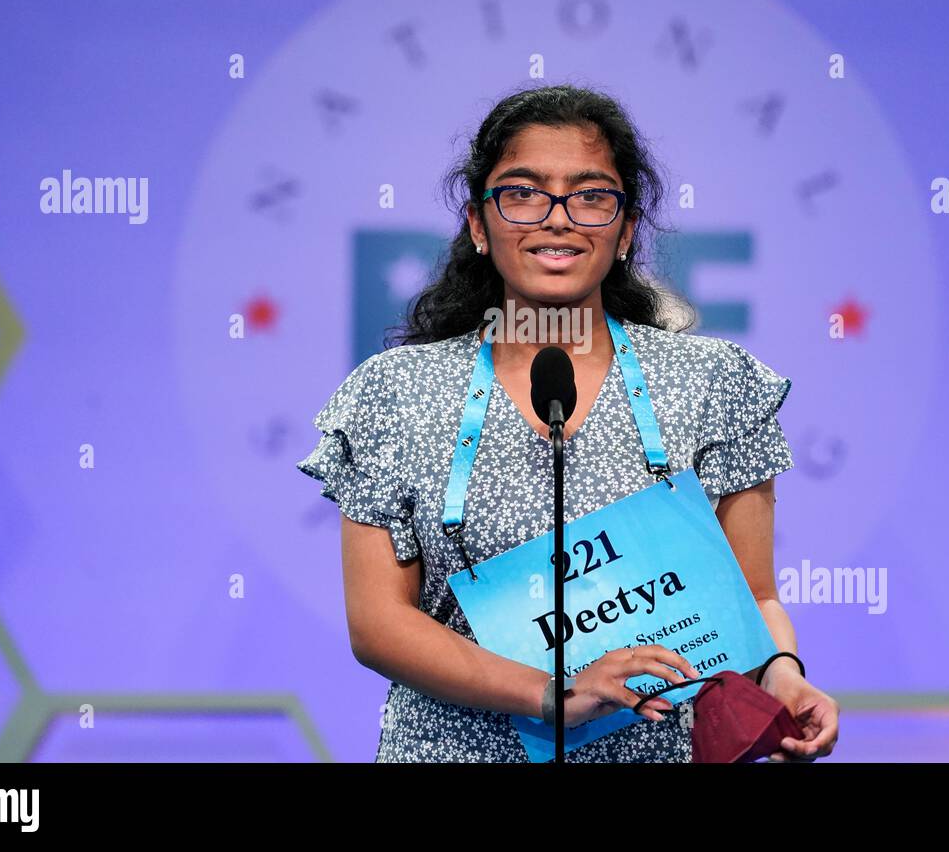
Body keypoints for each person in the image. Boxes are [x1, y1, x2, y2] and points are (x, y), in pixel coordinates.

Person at [297, 83, 839, 762]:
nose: (558, 218)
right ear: (477, 224)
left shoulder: (713, 382)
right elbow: (379, 624)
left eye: (590, 195)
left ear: (626, 230)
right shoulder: (393, 393)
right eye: (522, 192)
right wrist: (553, 694)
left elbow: (753, 597)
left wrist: (783, 674)